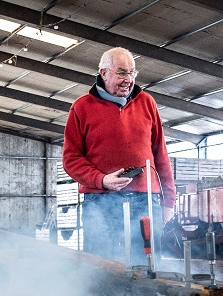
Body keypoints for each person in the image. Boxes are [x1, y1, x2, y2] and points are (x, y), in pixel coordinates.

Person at [62, 47, 177, 264]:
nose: (128, 80)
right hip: (100, 200)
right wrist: (102, 180)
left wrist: (169, 202)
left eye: (132, 73)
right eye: (122, 73)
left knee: (147, 264)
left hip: (145, 200)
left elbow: (160, 154)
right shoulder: (81, 108)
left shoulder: (147, 103)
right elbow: (71, 159)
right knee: (98, 264)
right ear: (103, 73)